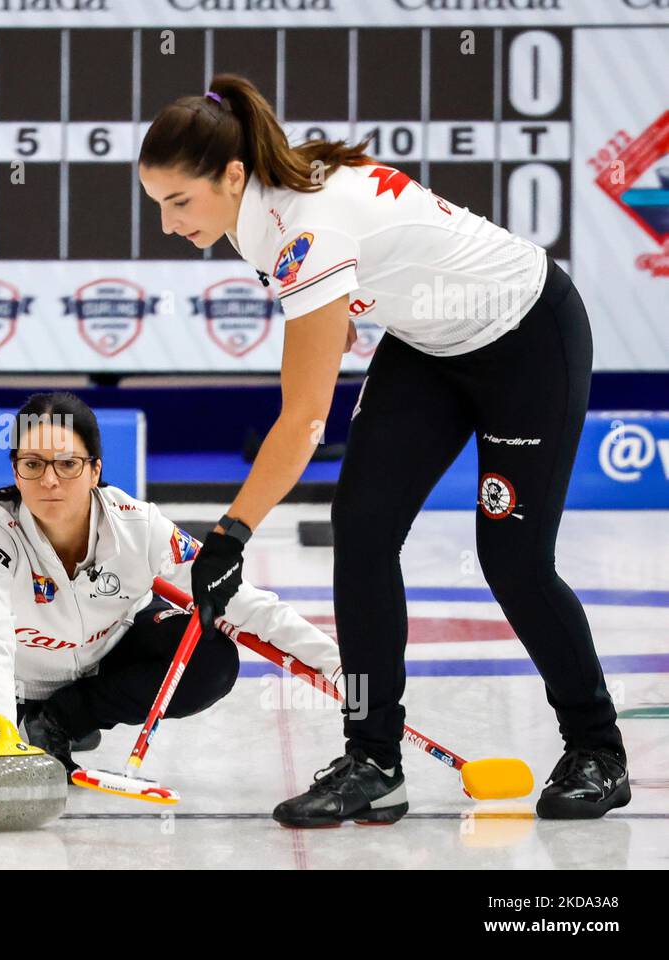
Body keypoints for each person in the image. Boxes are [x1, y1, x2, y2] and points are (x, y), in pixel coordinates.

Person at [137, 75, 628, 825]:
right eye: (159, 205)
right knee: (362, 537)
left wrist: (231, 535)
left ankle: (598, 748)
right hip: (431, 345)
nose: (170, 225)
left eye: (179, 202)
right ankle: (373, 759)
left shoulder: (304, 229)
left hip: (530, 339)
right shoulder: (256, 208)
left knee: (514, 562)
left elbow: (304, 417)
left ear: (231, 175)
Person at [0, 392, 343, 775]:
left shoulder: (137, 524)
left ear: (95, 471)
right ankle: (36, 720)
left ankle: (65, 718)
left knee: (212, 659)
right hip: (28, 685)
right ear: (15, 472)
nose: (50, 480)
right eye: (33, 465)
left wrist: (338, 665)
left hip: (109, 658)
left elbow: (239, 600)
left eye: (68, 464)